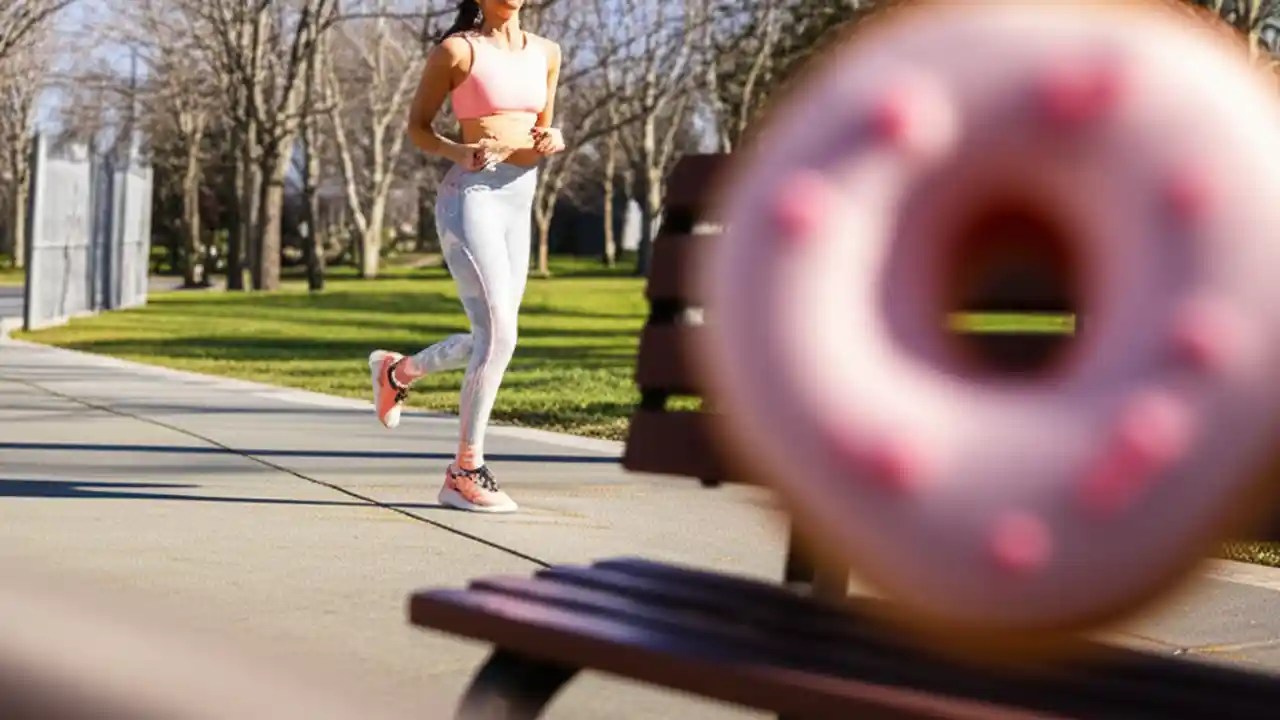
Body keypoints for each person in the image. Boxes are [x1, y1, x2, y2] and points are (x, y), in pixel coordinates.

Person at [367, 0, 564, 514]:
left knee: (491, 337)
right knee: (501, 334)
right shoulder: (457, 51)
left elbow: (541, 131)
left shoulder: (547, 53)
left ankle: (398, 372)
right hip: (470, 198)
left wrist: (552, 137)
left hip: (519, 201)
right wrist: (460, 152)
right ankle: (464, 470)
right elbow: (418, 127)